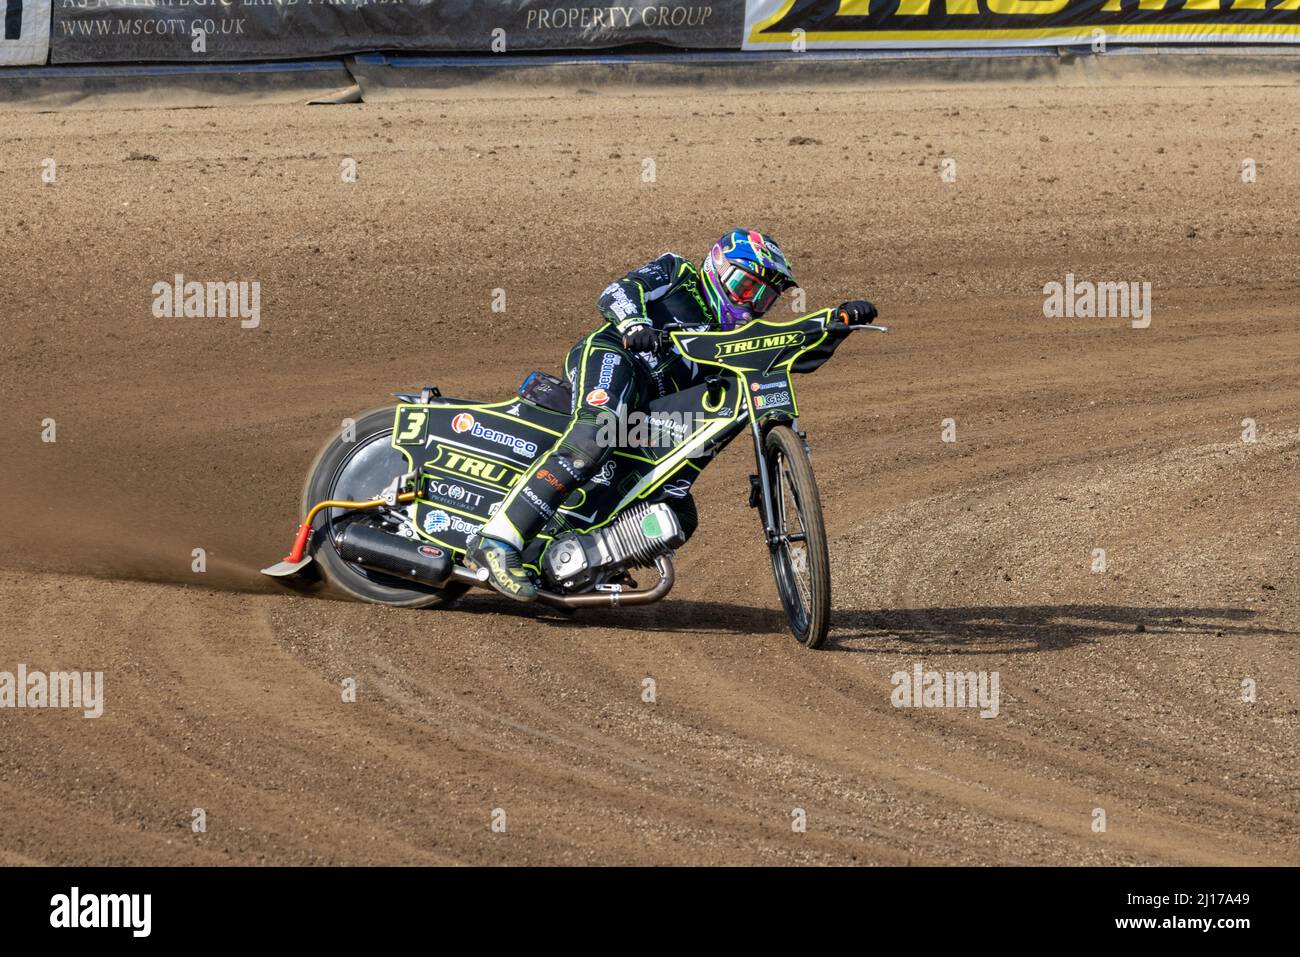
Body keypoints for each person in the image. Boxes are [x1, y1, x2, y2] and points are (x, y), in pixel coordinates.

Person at [465, 228, 876, 601]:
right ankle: (498, 542)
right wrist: (634, 324)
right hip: (615, 355)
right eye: (744, 284)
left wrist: (837, 322)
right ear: (718, 266)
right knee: (598, 433)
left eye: (763, 296)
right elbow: (616, 291)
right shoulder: (678, 272)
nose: (750, 302)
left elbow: (788, 348)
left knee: (677, 510)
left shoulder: (735, 336)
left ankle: (576, 563)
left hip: (649, 411)